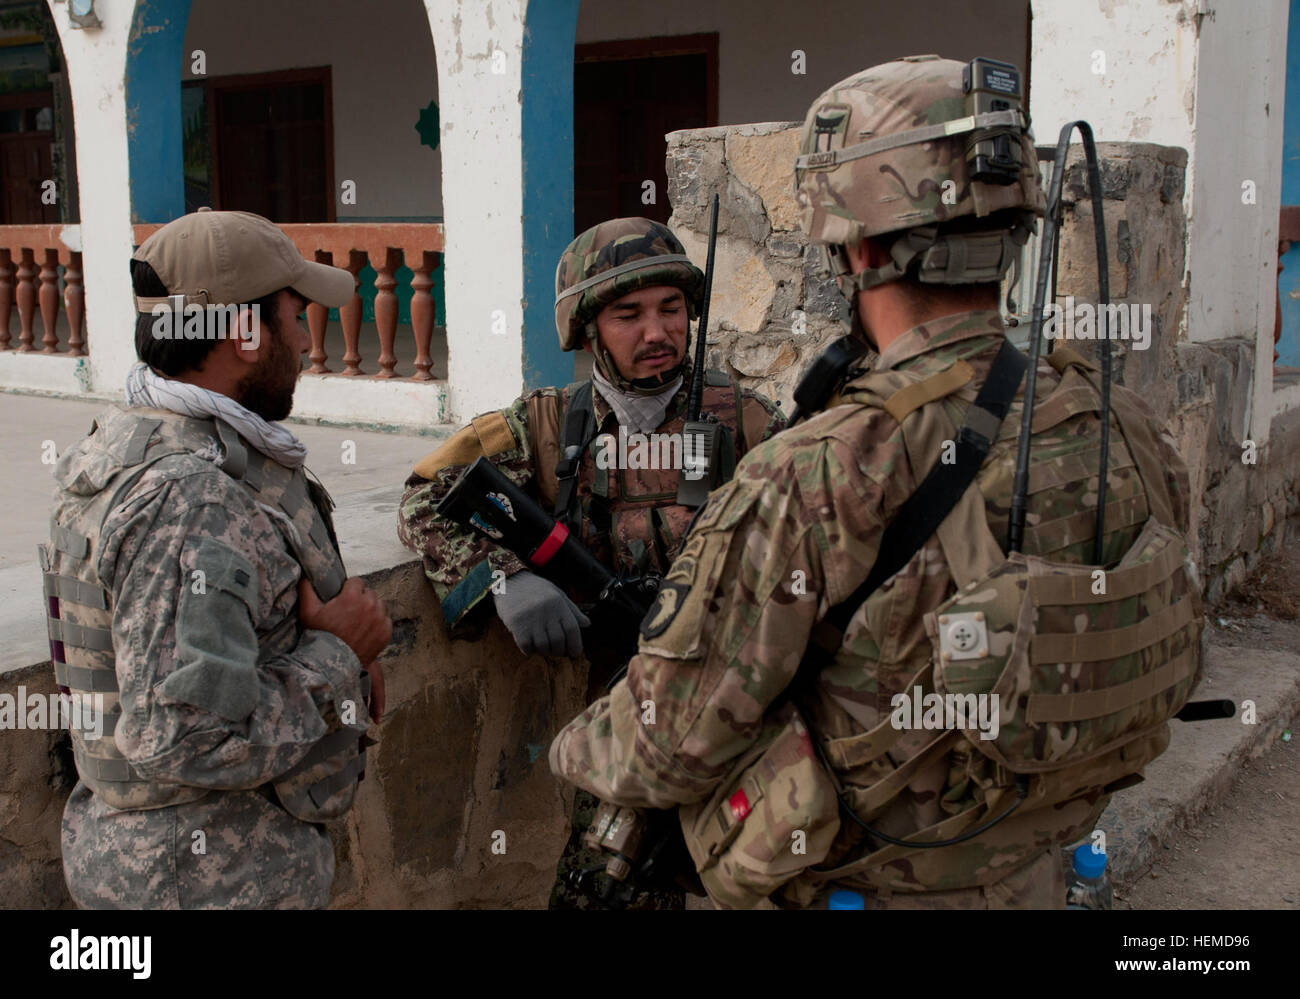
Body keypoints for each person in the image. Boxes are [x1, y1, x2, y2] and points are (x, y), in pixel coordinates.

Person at [549, 56, 1199, 910]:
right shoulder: (1122, 424)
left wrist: (571, 746)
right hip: (1031, 874)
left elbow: (667, 740)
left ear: (857, 243)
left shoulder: (818, 470)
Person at [397, 217, 785, 906]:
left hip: (740, 717)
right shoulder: (547, 426)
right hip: (620, 733)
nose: (656, 331)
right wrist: (503, 579)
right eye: (627, 314)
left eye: (671, 309)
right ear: (586, 328)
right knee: (601, 890)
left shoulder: (745, 423)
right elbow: (429, 496)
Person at [45, 209, 392, 909]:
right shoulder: (186, 498)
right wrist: (337, 656)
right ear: (242, 334)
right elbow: (185, 738)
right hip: (205, 878)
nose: (302, 337)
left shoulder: (133, 444)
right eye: (291, 316)